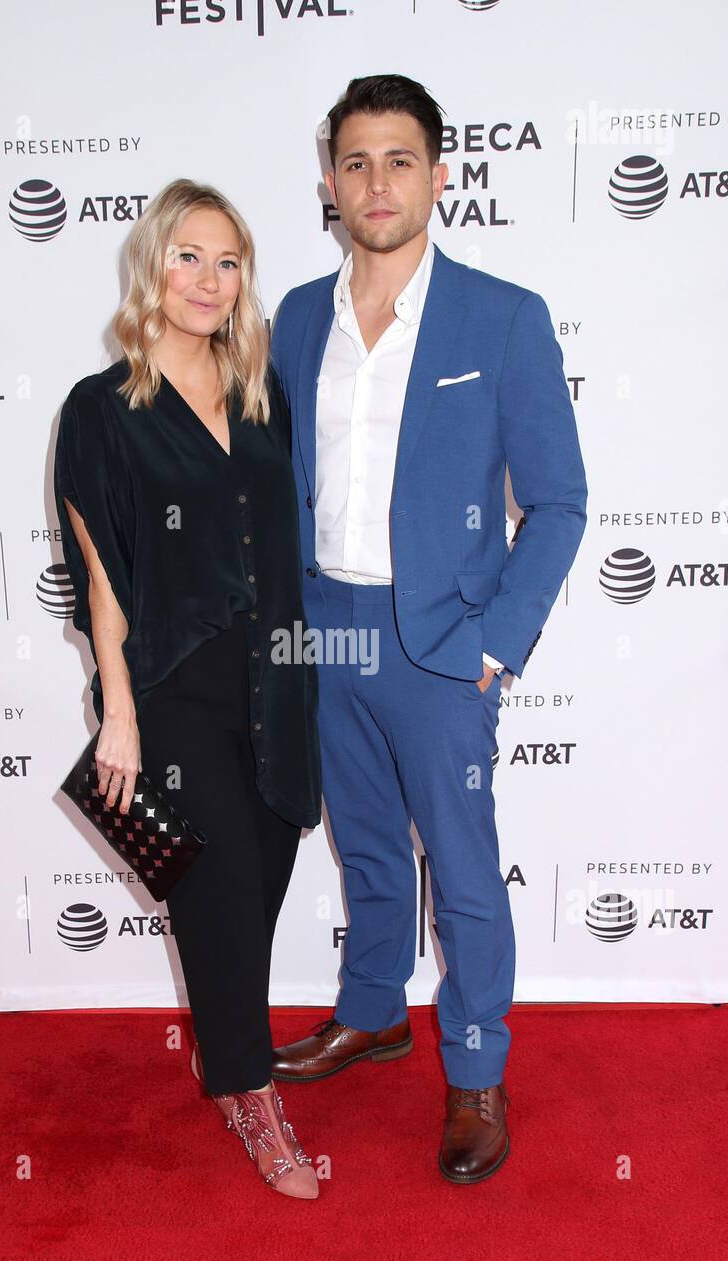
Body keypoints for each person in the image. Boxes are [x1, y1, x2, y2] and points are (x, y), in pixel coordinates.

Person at [269, 75, 587, 1183]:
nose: (378, 182)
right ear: (329, 183)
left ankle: (477, 1071)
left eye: (400, 159)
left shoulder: (502, 317)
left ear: (441, 175)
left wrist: (497, 642)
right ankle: (373, 1013)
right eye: (356, 162)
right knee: (360, 843)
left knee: (458, 869)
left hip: (444, 638)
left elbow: (558, 501)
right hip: (327, 625)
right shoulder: (298, 316)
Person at [54, 178, 322, 1200]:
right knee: (215, 891)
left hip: (282, 678)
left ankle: (224, 1041)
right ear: (152, 265)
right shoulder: (102, 407)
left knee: (261, 877)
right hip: (175, 689)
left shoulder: (262, 394)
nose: (209, 280)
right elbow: (101, 576)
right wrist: (117, 711)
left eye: (228, 262)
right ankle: (253, 1100)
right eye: (188, 256)